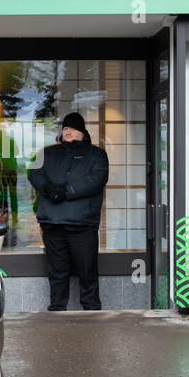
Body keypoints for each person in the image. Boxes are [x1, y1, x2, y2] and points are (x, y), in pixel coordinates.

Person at [28, 111, 109, 310]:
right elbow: (33, 171)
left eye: (72, 128)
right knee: (57, 273)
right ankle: (57, 310)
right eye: (65, 128)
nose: (68, 131)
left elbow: (96, 180)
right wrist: (48, 188)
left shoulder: (97, 155)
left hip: (82, 226)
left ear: (82, 132)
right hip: (52, 225)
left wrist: (66, 191)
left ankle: (91, 311)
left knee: (87, 273)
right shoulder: (48, 152)